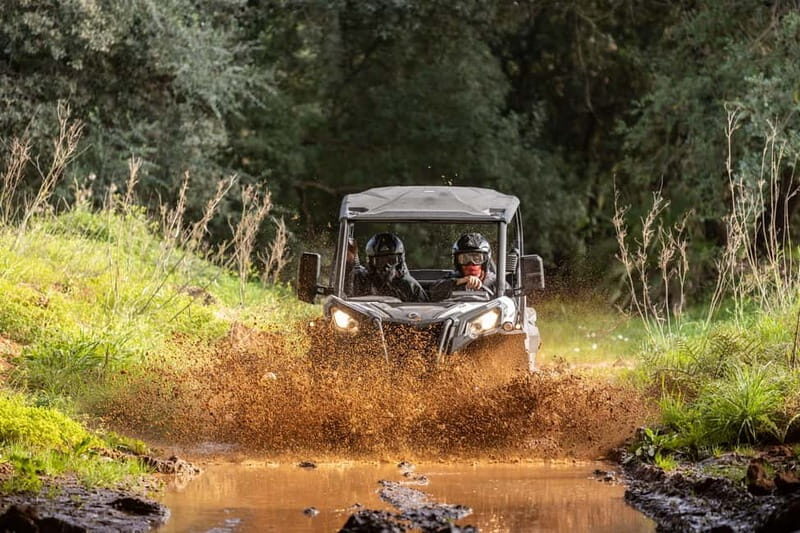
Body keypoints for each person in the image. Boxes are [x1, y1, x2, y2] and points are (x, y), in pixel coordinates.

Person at [345, 232, 428, 302]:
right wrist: (351, 258)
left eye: (391, 260)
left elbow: (425, 313)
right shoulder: (360, 280)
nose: (386, 266)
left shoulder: (410, 286)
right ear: (371, 263)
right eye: (380, 261)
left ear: (399, 261)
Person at [430, 232, 496, 301]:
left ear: (485, 261)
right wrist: (459, 282)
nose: (471, 264)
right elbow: (433, 292)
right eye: (464, 259)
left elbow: (506, 303)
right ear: (457, 262)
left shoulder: (495, 282)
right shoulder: (453, 277)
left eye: (476, 259)